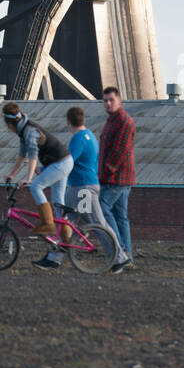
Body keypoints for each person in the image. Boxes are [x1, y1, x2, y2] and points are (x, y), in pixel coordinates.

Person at [37, 105, 128, 270]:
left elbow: (66, 162)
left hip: (82, 188)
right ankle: (54, 258)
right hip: (83, 186)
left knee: (97, 223)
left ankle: (120, 258)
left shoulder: (79, 138)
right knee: (66, 222)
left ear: (68, 122)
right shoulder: (90, 136)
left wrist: (43, 171)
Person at [2, 101, 73, 270]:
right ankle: (64, 246)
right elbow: (22, 156)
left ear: (9, 123)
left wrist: (28, 178)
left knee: (35, 187)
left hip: (60, 163)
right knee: (58, 205)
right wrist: (12, 174)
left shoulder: (29, 131)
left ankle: (47, 224)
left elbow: (33, 155)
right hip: (59, 163)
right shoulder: (23, 131)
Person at [98, 86, 135, 273]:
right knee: (121, 217)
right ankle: (127, 255)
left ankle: (119, 250)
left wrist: (107, 170)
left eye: (111, 100)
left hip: (117, 178)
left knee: (102, 208)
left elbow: (120, 150)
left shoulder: (123, 121)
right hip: (114, 177)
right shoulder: (111, 120)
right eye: (105, 100)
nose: (108, 103)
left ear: (119, 101)